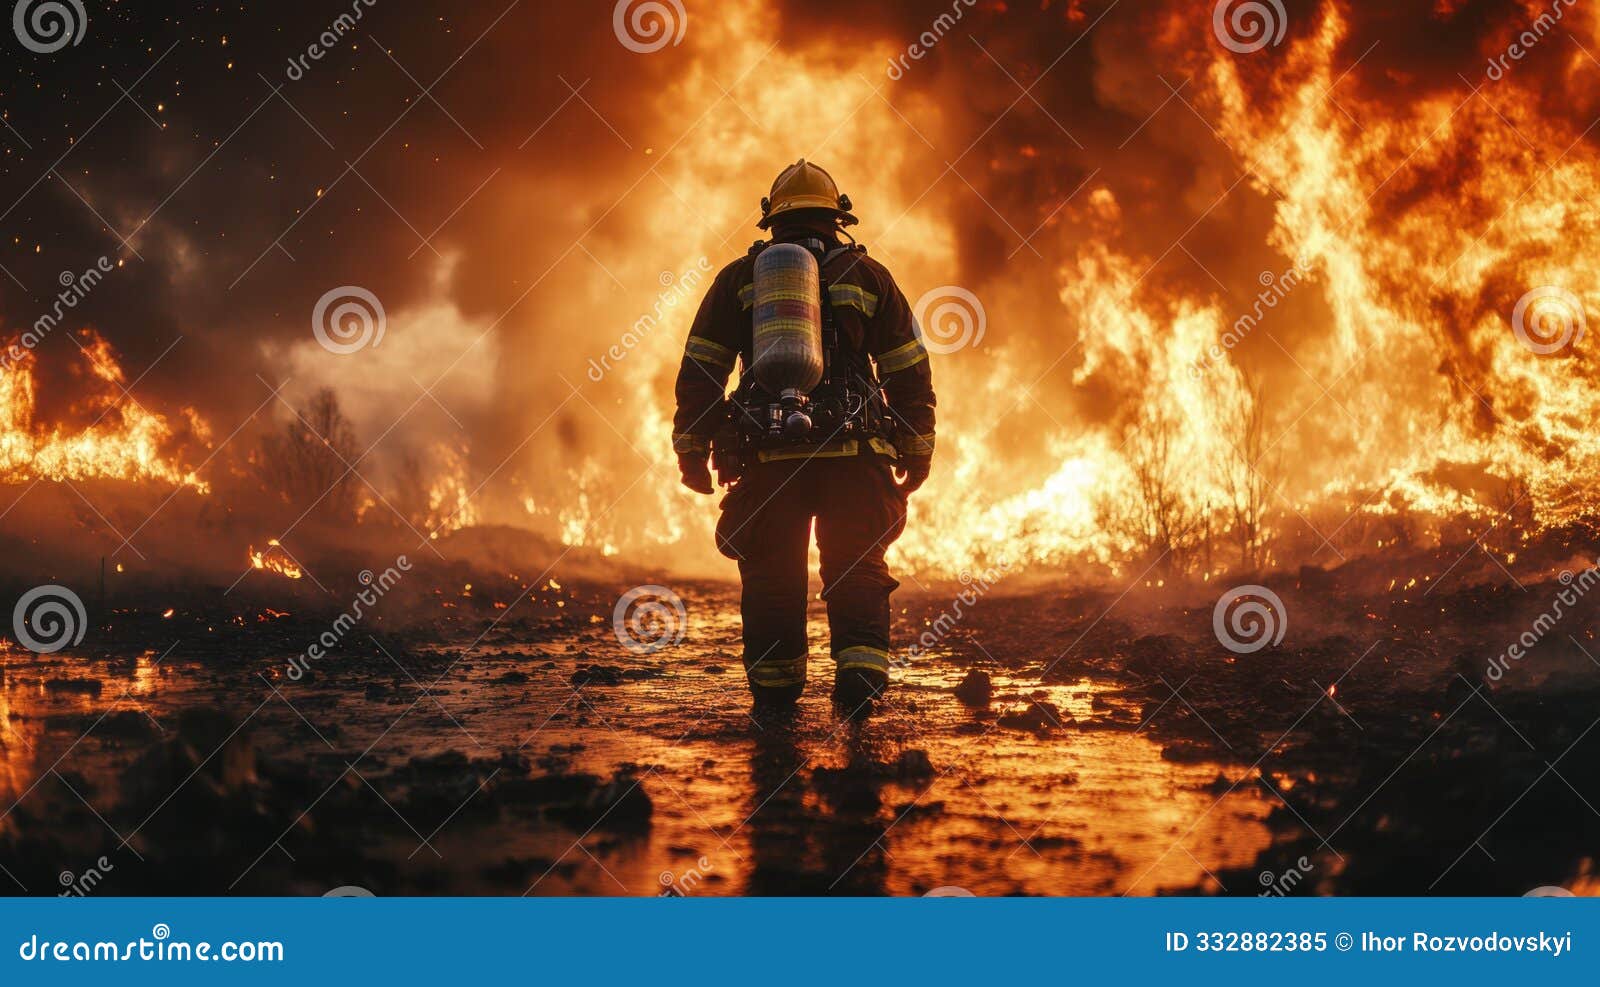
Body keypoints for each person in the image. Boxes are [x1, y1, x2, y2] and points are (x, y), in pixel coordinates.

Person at [672, 159, 936, 710]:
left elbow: (702, 369)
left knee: (771, 573)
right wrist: (917, 444)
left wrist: (692, 447)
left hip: (769, 460)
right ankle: (860, 690)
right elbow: (906, 369)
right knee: (858, 566)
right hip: (855, 457)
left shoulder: (740, 279)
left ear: (772, 222)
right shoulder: (869, 277)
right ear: (838, 219)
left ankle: (775, 701)